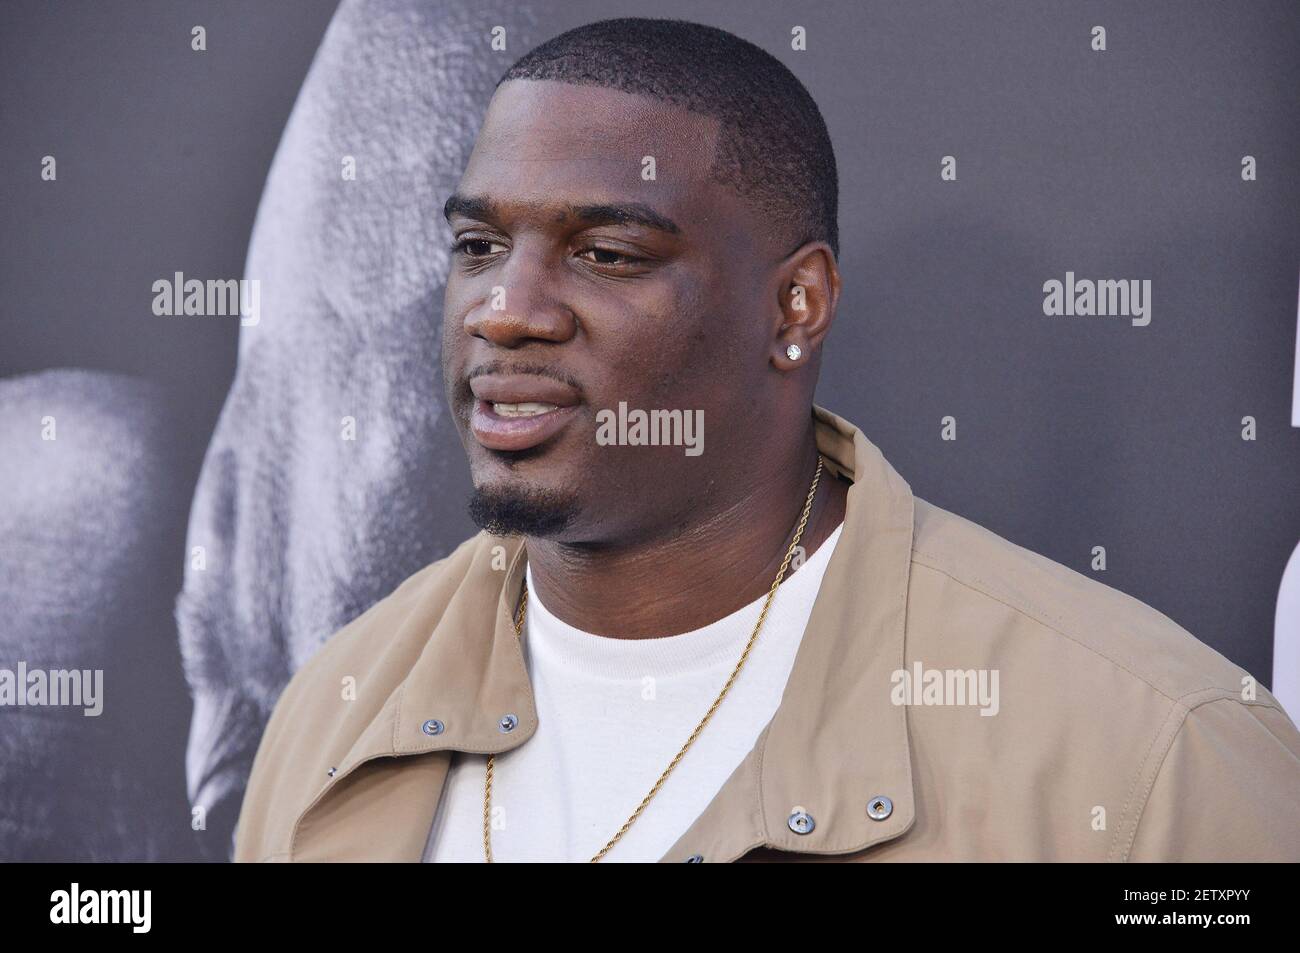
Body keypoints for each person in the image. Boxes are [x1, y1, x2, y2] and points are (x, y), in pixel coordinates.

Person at [233, 17, 1300, 863]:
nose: (505, 309)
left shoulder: (1155, 754)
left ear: (794, 307)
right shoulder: (342, 703)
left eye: (604, 253)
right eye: (477, 243)